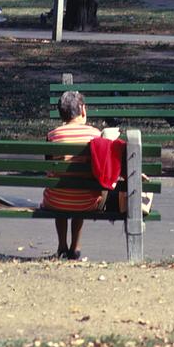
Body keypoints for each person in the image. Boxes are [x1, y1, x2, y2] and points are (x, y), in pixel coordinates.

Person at [43, 90, 107, 260]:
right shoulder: (95, 134)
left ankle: (62, 246)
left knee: (60, 189)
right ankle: (75, 247)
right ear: (82, 109)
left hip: (56, 200)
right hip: (86, 201)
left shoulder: (53, 135)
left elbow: (49, 168)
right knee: (82, 190)